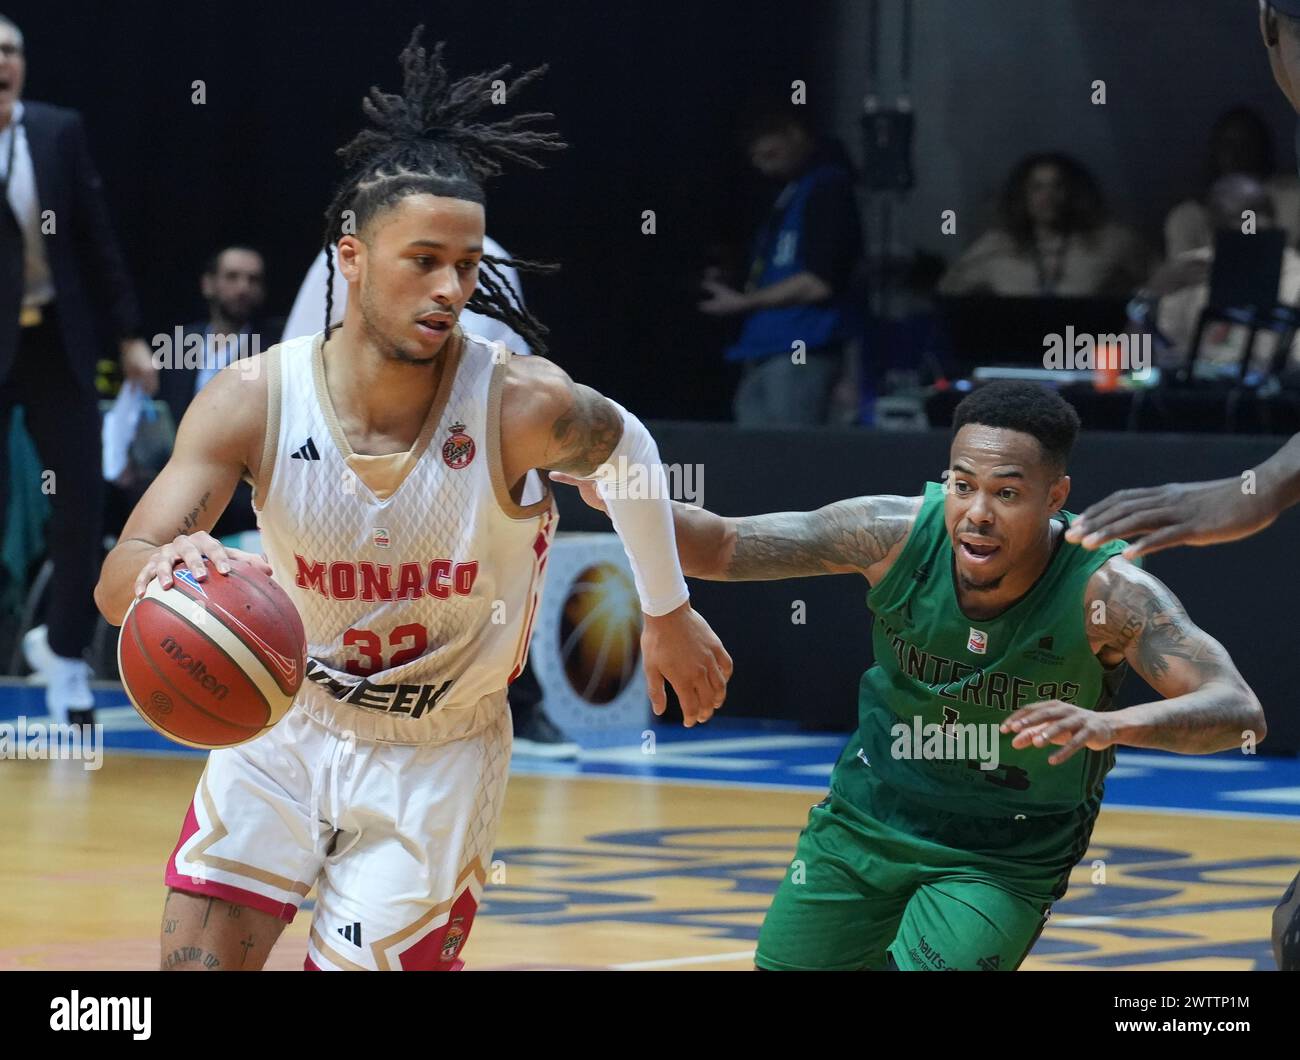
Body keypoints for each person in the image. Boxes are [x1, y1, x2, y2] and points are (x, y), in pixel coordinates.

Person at [93, 29, 732, 972]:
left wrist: (667, 611)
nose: (450, 289)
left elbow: (627, 444)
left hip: (437, 752)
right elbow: (115, 583)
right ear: (349, 258)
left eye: (467, 266)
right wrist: (162, 572)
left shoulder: (518, 402)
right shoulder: (253, 401)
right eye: (422, 260)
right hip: (285, 723)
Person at [555, 380, 1265, 970]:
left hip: (1007, 847)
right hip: (871, 814)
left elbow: (1238, 713)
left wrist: (1112, 724)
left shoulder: (1106, 591)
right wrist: (627, 495)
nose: (977, 514)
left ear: (1056, 497)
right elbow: (723, 544)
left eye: (1008, 494)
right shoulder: (891, 535)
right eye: (963, 485)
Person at [0, 13, 156, 725]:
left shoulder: (57, 131)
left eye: (10, 51)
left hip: (56, 343)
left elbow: (95, 235)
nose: (2, 62)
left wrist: (129, 335)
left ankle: (65, 657)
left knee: (80, 502)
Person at [699, 105, 862, 427]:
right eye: (757, 159)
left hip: (803, 346)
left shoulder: (828, 186)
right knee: (757, 456)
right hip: (762, 348)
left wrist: (744, 302)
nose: (764, 167)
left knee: (791, 455)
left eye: (771, 154)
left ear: (794, 134)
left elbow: (819, 281)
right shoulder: (788, 194)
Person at [938, 152, 1147, 298]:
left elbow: (1159, 282)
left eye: (1058, 186)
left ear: (1073, 193)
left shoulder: (1111, 240)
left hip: (1085, 352)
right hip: (1015, 354)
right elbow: (948, 292)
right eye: (1037, 188)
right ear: (1023, 196)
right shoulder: (996, 246)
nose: (1048, 197)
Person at [1163, 105, 1300, 258]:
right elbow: (1183, 274)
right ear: (1215, 150)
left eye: (1245, 145)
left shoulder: (1291, 199)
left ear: (1262, 148)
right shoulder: (1188, 216)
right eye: (1227, 144)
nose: (1235, 154)